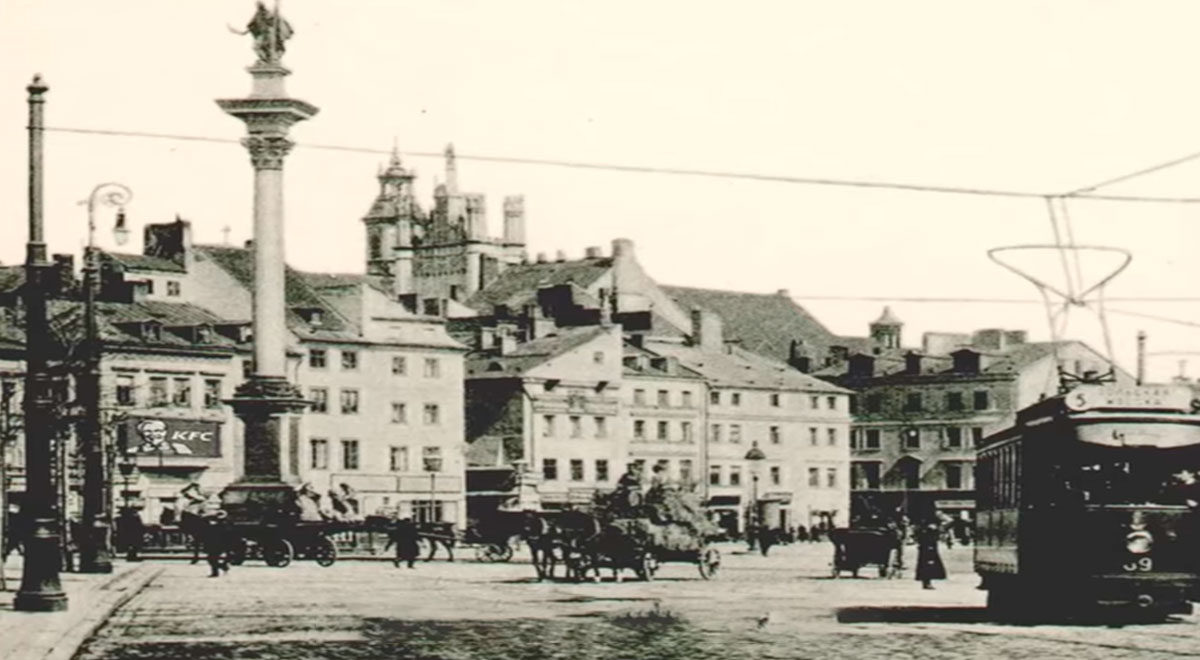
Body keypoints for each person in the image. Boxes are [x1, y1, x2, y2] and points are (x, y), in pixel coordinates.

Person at [914, 519, 946, 590]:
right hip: (927, 541)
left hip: (928, 541)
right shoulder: (927, 526)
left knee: (927, 561)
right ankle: (926, 581)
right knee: (928, 562)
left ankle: (926, 581)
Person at [203, 510, 232, 577]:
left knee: (212, 559)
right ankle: (221, 567)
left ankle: (217, 571)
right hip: (218, 544)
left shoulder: (222, 525)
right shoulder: (225, 525)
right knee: (212, 559)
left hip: (218, 545)